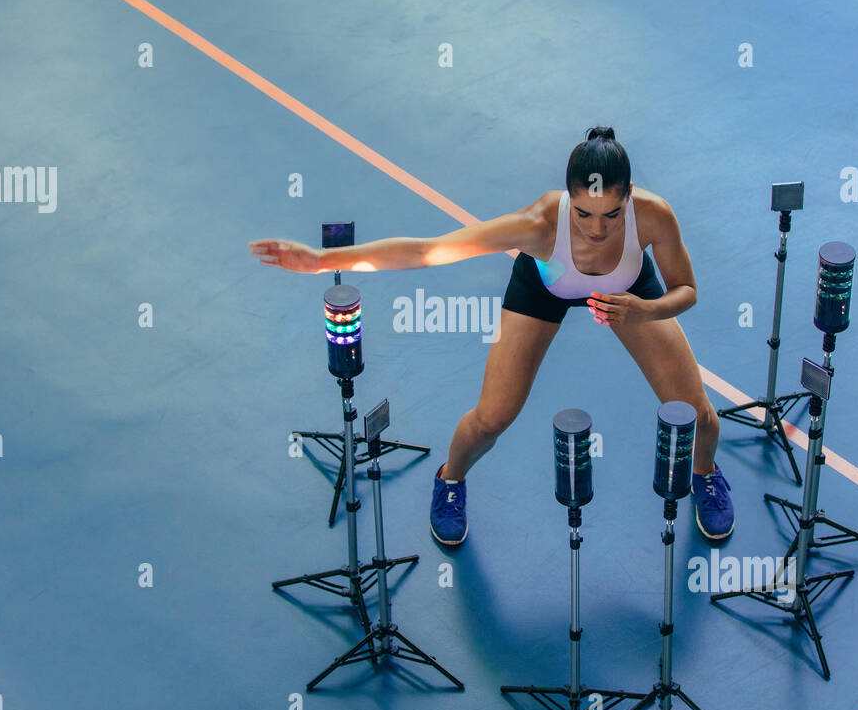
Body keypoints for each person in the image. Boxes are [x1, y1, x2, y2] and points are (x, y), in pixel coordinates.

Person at [250, 126, 734, 547]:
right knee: (490, 419)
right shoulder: (538, 226)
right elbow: (428, 251)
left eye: (611, 215)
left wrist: (646, 310)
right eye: (584, 214)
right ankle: (451, 479)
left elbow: (687, 290)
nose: (597, 229)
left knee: (701, 416)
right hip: (545, 287)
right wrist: (322, 260)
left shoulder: (654, 216)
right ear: (568, 197)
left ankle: (705, 475)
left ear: (629, 195)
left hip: (627, 294)